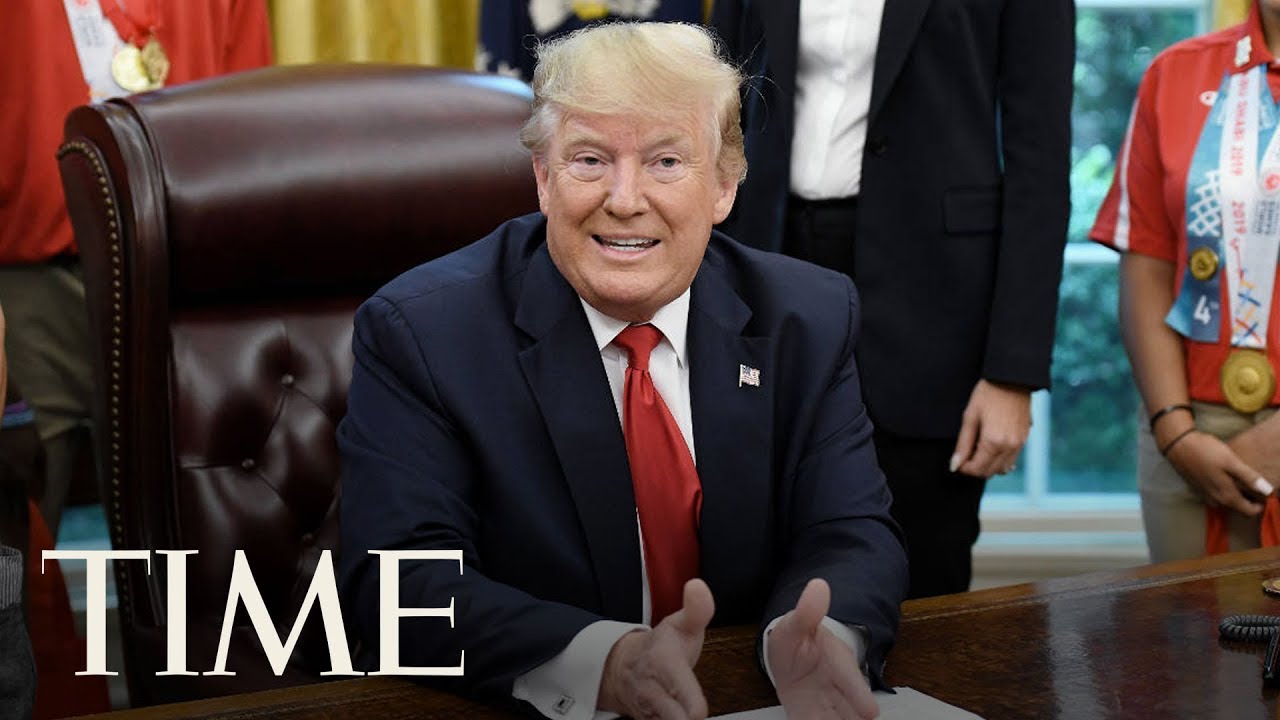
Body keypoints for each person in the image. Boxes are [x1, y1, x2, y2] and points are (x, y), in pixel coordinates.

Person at [339, 21, 908, 720]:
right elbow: (397, 590)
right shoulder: (423, 333)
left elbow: (849, 533)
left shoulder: (806, 318)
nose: (626, 199)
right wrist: (603, 661)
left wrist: (823, 638)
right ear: (544, 180)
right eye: (588, 160)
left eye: (667, 162)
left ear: (725, 186)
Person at [709, 1, 1074, 598]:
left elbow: (1041, 160)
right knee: (754, 562)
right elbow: (713, 104)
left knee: (918, 572)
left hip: (935, 301)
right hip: (767, 266)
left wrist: (1013, 372)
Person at [0, 1, 272, 537]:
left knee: (190, 522)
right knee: (17, 514)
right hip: (25, 275)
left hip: (182, 269)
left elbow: (249, 117)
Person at [1090, 0, 1280, 562]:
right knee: (1192, 648)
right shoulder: (1174, 73)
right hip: (1189, 438)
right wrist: (1175, 431)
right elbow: (1148, 260)